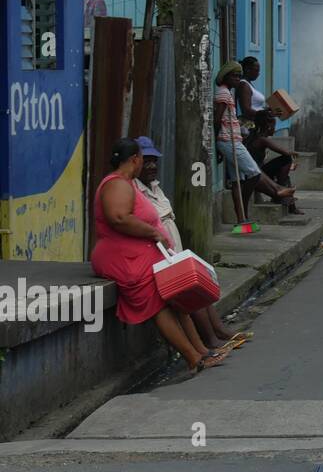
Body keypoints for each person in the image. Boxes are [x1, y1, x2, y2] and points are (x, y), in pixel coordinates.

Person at [90, 138, 226, 374]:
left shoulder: (129, 183)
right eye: (143, 159)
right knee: (159, 301)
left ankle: (202, 350)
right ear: (134, 159)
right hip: (122, 259)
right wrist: (153, 232)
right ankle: (193, 358)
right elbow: (119, 218)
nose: (144, 164)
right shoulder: (116, 184)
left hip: (143, 254)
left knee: (178, 294)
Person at [133, 136, 249, 353]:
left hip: (173, 245)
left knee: (200, 284)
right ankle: (211, 340)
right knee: (189, 290)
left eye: (153, 161)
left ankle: (220, 330)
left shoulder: (155, 188)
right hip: (159, 253)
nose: (151, 166)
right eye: (146, 160)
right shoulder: (135, 191)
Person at [215, 61, 295, 210]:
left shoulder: (233, 91)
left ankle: (243, 217)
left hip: (233, 138)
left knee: (238, 179)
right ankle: (275, 192)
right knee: (253, 172)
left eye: (239, 76)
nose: (237, 79)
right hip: (231, 139)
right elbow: (222, 118)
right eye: (234, 76)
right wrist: (216, 143)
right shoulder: (230, 91)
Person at [245, 111, 303, 214]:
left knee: (284, 173)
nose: (275, 129)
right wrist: (293, 154)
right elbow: (285, 152)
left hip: (257, 171)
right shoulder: (262, 140)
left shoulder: (253, 136)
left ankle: (284, 194)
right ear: (268, 126)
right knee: (286, 160)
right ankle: (282, 194)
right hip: (256, 174)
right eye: (273, 126)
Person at [236, 55, 268, 119]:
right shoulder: (244, 85)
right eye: (256, 70)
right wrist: (265, 114)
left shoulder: (248, 84)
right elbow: (246, 111)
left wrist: (267, 111)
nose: (258, 73)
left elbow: (255, 106)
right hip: (251, 126)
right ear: (247, 69)